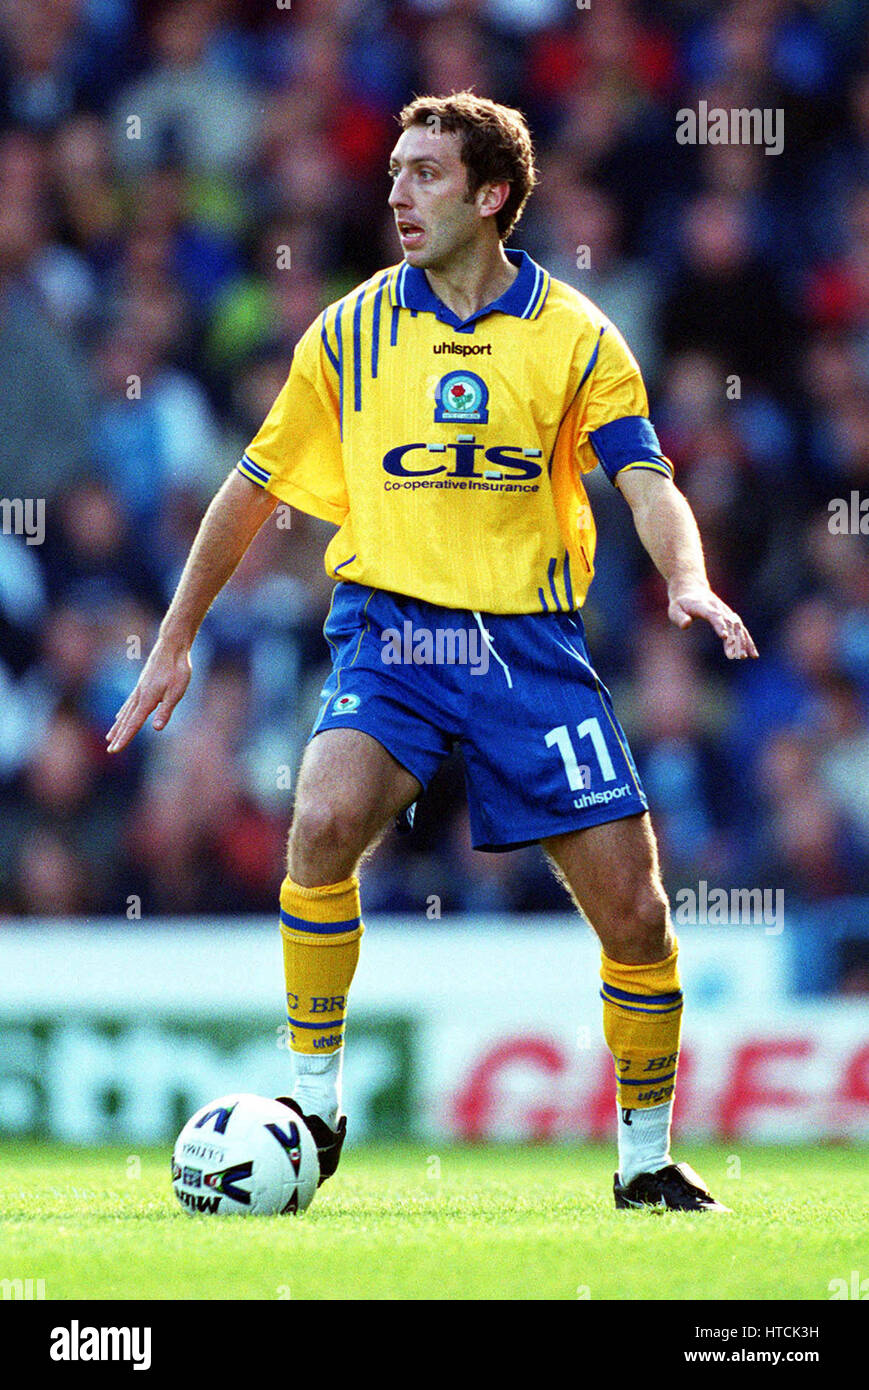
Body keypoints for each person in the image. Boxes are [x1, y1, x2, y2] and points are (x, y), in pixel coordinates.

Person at [107, 93, 757, 1211]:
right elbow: (250, 489)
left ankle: (643, 1161)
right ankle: (315, 1103)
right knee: (317, 821)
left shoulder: (575, 338)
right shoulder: (350, 332)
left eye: (425, 175)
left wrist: (687, 578)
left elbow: (646, 485)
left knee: (638, 915)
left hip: (528, 648)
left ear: (490, 195)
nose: (397, 193)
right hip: (390, 634)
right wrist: (175, 639)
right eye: (395, 170)